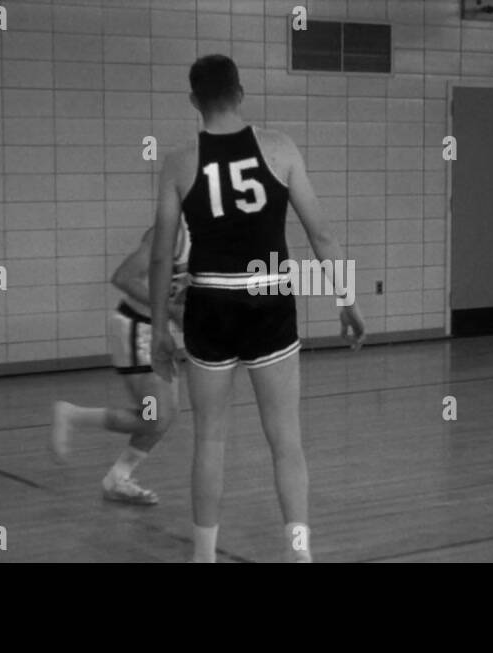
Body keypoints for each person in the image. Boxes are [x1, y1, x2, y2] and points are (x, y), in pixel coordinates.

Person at [148, 54, 366, 563]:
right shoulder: (279, 148)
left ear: (193, 102)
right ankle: (299, 552)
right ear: (240, 93)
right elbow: (322, 233)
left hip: (209, 303)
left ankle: (203, 555)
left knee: (210, 441)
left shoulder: (180, 162)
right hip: (267, 298)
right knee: (286, 440)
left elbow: (161, 253)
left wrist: (160, 326)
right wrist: (346, 298)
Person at [50, 221, 191, 505]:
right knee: (156, 417)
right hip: (137, 328)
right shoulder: (172, 233)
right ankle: (73, 417)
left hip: (156, 330)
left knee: (161, 417)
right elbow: (124, 277)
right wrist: (170, 309)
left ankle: (116, 477)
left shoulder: (215, 241)